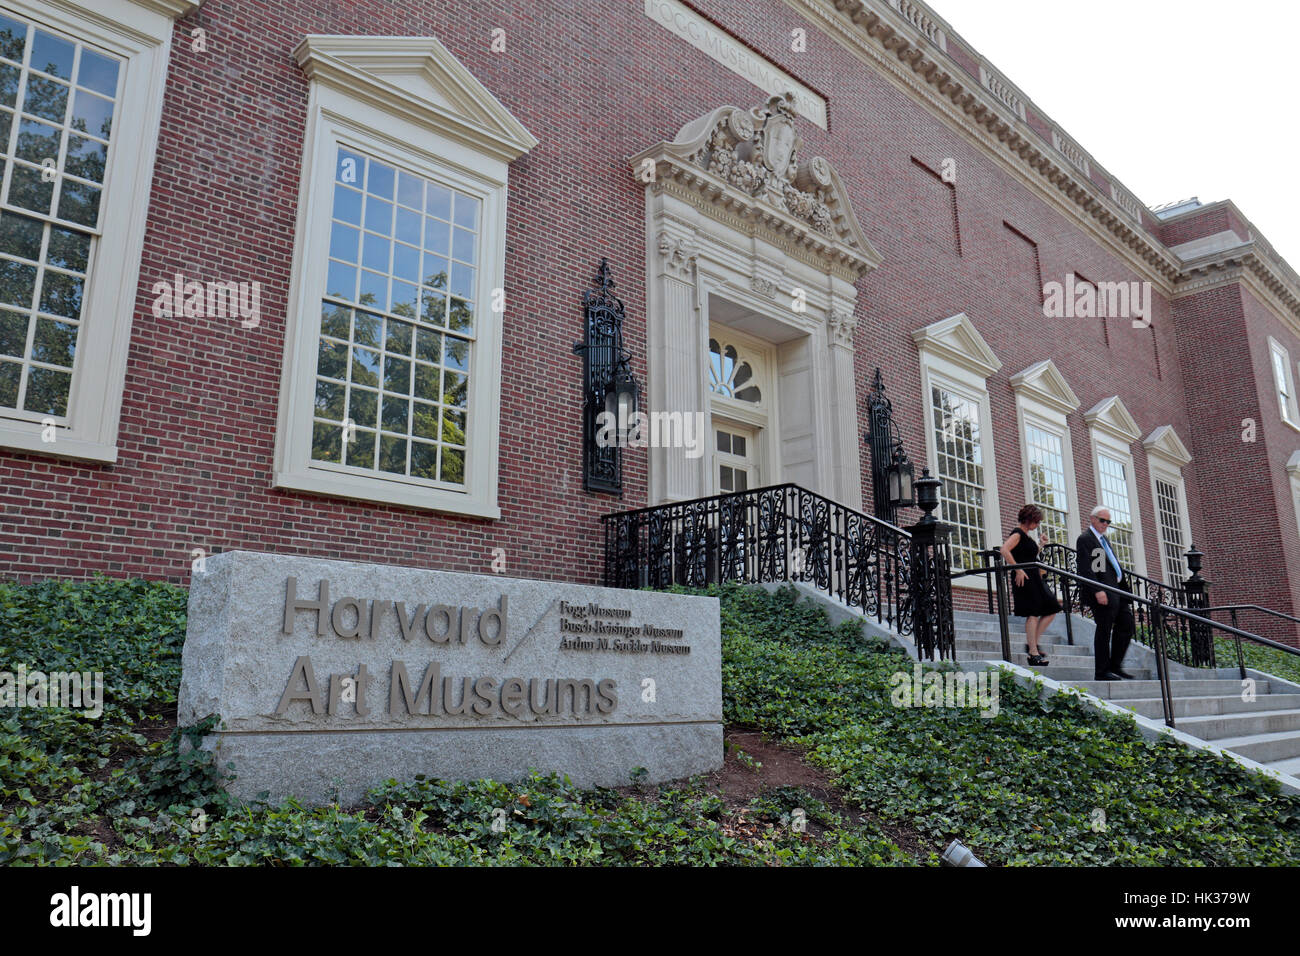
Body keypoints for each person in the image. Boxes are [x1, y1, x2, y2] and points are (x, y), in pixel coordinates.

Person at [1075, 505, 1134, 680]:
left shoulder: (1103, 540)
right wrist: (1098, 590)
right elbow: (1087, 568)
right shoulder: (1086, 539)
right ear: (1092, 519)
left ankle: (1115, 666)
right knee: (1104, 630)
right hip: (1103, 593)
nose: (1105, 524)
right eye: (1102, 520)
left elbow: (1099, 565)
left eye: (1108, 521)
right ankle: (1101, 671)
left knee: (1127, 624)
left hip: (1117, 591)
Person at [999, 505, 1061, 665]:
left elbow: (1028, 555)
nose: (1038, 525)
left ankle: (1032, 643)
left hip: (1034, 577)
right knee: (1033, 613)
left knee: (1052, 608)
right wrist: (1017, 569)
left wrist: (1040, 545)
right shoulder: (1017, 533)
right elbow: (1004, 550)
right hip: (1024, 578)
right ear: (1029, 520)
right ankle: (1033, 653)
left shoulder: (1026, 536)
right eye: (1037, 521)